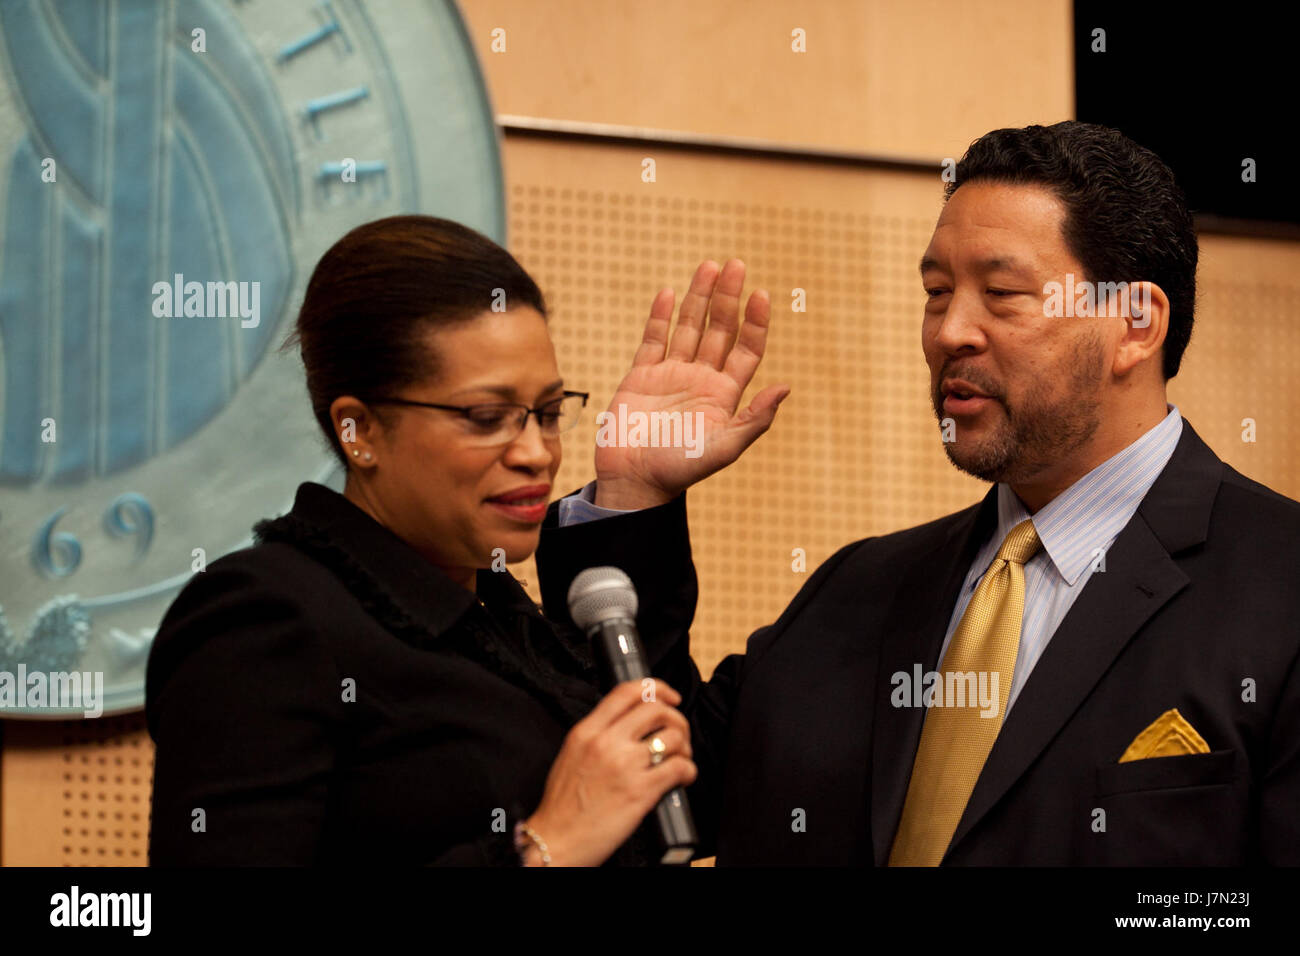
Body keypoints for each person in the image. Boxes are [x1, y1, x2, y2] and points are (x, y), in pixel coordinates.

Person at [539, 121, 1300, 865]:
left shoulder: (1280, 588)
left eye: (1002, 293)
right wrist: (632, 490)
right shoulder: (855, 592)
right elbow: (647, 791)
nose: (949, 332)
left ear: (1136, 325)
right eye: (937, 293)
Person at [145, 215, 788, 865]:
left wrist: (635, 489)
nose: (537, 452)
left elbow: (675, 798)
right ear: (359, 431)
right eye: (487, 418)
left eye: (548, 413)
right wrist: (546, 849)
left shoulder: (505, 619)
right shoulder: (267, 618)